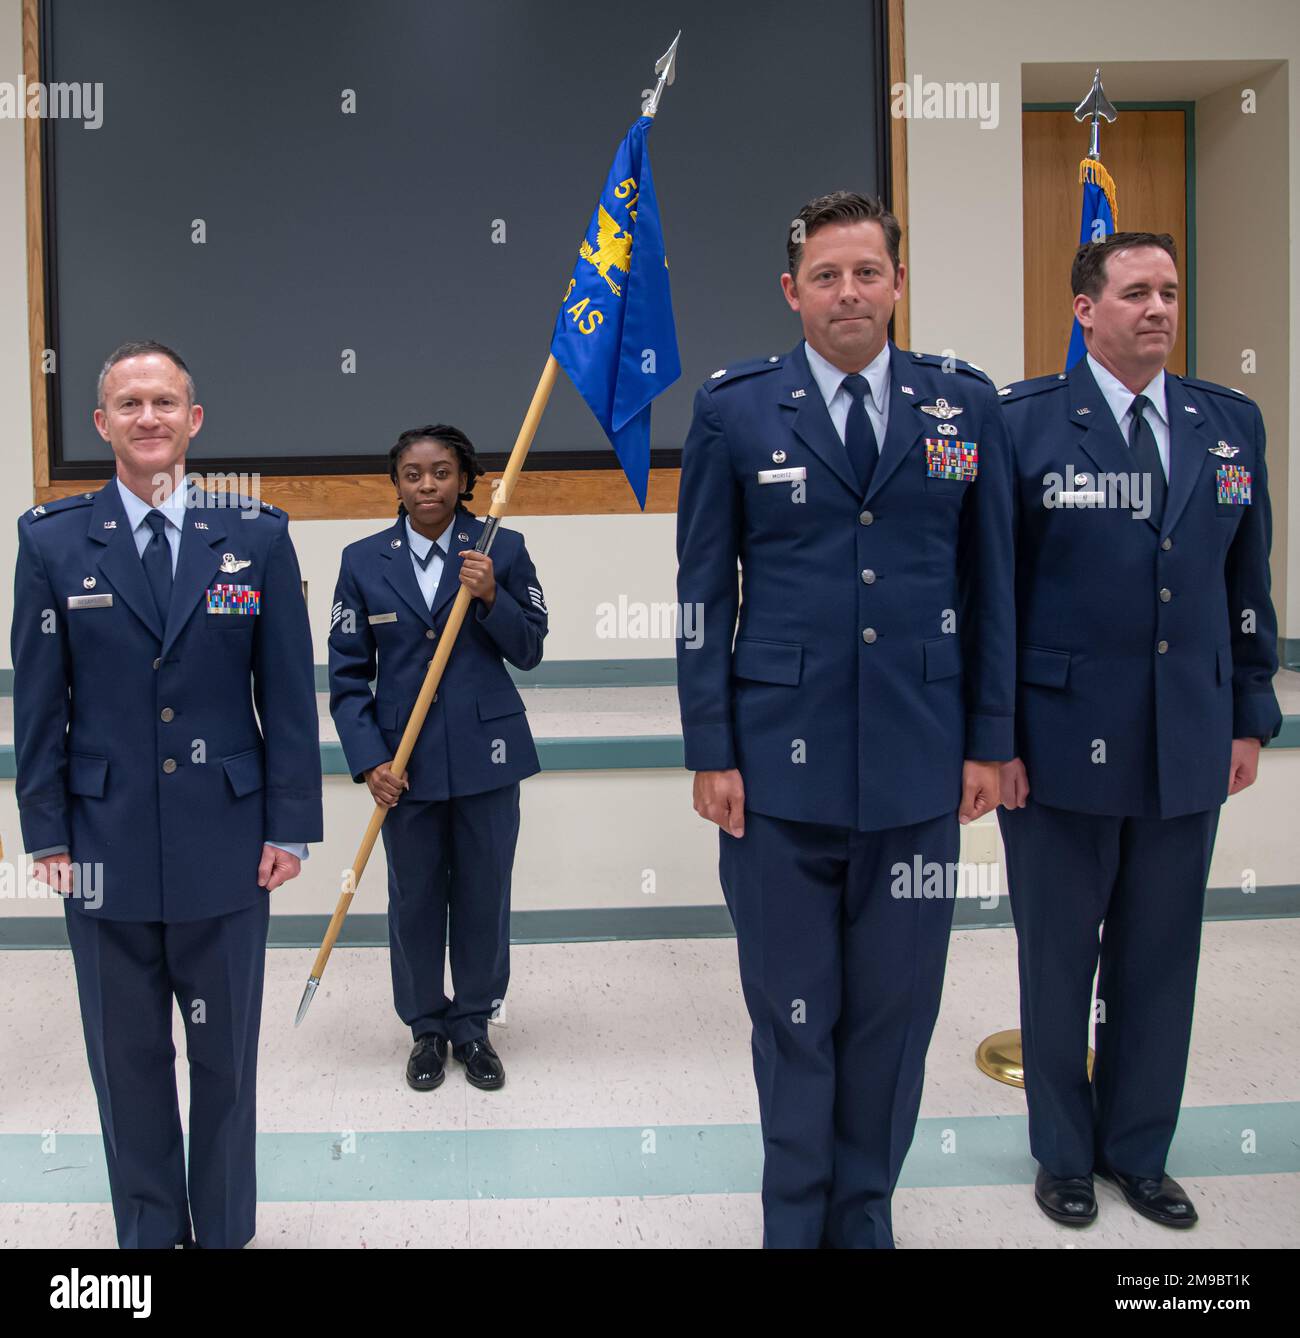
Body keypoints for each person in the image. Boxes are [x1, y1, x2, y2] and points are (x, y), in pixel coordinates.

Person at [675, 191, 1013, 1248]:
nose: (848, 292)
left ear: (897, 283)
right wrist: (709, 749)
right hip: (775, 776)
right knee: (791, 1017)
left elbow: (992, 581)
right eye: (825, 275)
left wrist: (989, 742)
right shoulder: (735, 409)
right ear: (792, 292)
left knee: (892, 1019)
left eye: (867, 271)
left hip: (919, 764)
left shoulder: (963, 405)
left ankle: (863, 1213)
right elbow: (700, 595)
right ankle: (794, 1219)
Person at [997, 232, 1282, 1230]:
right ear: (1085, 310)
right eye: (1133, 293)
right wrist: (996, 741)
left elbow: (1248, 584)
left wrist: (1250, 710)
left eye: (1168, 291)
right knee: (1059, 960)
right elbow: (992, 595)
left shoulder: (1226, 423)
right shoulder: (1023, 425)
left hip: (1187, 740)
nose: (1157, 308)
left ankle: (1136, 1151)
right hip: (1057, 743)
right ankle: (1063, 1156)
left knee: (1160, 963)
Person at [11, 340, 322, 1249]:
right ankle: (149, 1239)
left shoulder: (256, 535)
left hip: (228, 840)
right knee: (127, 1060)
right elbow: (39, 704)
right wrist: (46, 834)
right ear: (101, 423)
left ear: (194, 421)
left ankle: (223, 1231)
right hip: (101, 844)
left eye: (165, 402)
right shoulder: (54, 541)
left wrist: (291, 826)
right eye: (129, 403)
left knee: (225, 1060)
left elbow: (289, 699)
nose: (148, 417)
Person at [328, 425, 546, 1092]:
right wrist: (370, 761)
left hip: (488, 755)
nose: (428, 485)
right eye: (414, 474)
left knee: (483, 894)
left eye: (442, 472)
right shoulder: (363, 561)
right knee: (415, 898)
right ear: (396, 483)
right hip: (406, 765)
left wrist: (491, 598)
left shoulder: (500, 550)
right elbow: (345, 678)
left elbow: (530, 646)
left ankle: (474, 1026)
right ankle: (426, 1027)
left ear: (465, 479)